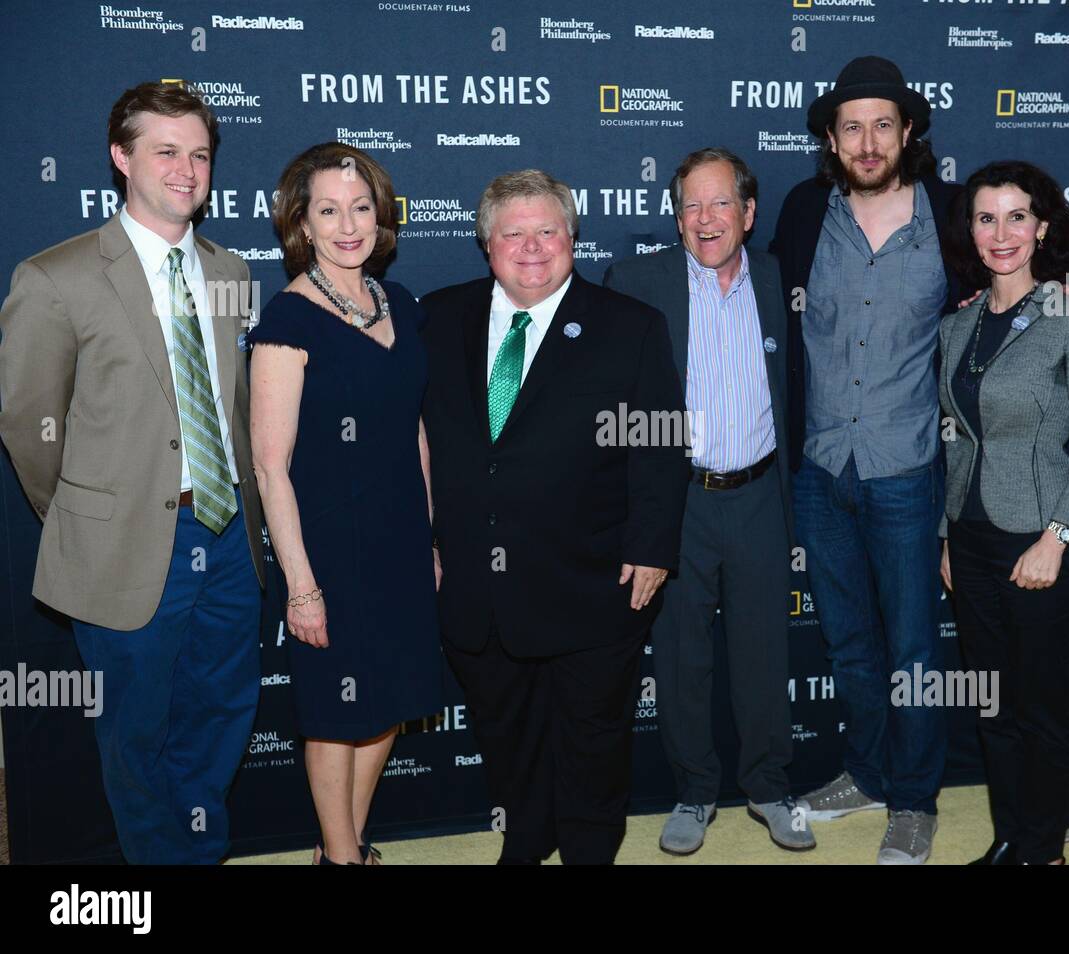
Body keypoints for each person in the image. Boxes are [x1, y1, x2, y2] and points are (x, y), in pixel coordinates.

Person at [0, 82, 264, 863]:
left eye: (199, 154)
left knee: (221, 715)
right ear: (121, 157)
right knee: (137, 733)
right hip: (122, 547)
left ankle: (198, 852)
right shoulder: (57, 278)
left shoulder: (232, 270)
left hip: (224, 539)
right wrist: (87, 516)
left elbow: (236, 409)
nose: (186, 170)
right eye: (165, 151)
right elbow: (26, 423)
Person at [418, 169, 688, 865]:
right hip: (479, 586)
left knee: (593, 736)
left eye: (548, 231)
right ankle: (527, 840)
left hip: (593, 581)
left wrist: (653, 547)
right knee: (508, 732)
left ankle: (591, 851)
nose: (531, 247)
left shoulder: (629, 326)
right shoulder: (438, 317)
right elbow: (412, 439)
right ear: (487, 245)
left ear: (572, 237)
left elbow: (658, 448)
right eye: (514, 233)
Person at [769, 55, 963, 864]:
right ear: (830, 137)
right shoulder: (806, 212)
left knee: (915, 645)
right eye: (852, 125)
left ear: (908, 131)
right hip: (821, 468)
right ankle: (869, 772)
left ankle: (915, 802)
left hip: (908, 466)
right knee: (849, 643)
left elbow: (1027, 266)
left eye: (884, 123)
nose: (869, 139)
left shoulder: (951, 213)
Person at [605, 147, 809, 855]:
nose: (705, 218)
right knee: (681, 655)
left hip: (757, 494)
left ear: (749, 215)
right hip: (678, 501)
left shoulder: (781, 279)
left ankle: (769, 786)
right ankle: (694, 791)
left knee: (764, 651)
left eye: (721, 202)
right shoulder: (636, 283)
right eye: (691, 204)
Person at [246, 143, 440, 866]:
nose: (348, 224)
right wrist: (302, 586)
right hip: (328, 548)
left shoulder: (404, 305)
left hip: (399, 540)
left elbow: (416, 431)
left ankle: (343, 849)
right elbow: (271, 467)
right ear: (302, 222)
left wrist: (428, 539)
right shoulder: (288, 320)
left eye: (361, 207)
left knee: (387, 700)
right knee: (334, 715)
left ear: (382, 215)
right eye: (328, 210)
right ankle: (344, 858)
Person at [937, 161, 1069, 865]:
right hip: (974, 540)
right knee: (994, 705)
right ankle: (1010, 837)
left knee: (1041, 709)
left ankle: (1044, 849)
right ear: (972, 232)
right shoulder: (957, 328)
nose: (1002, 233)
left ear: (1042, 227)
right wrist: (947, 535)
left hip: (1041, 537)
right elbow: (954, 440)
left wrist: (1060, 537)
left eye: (1018, 216)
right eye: (987, 218)